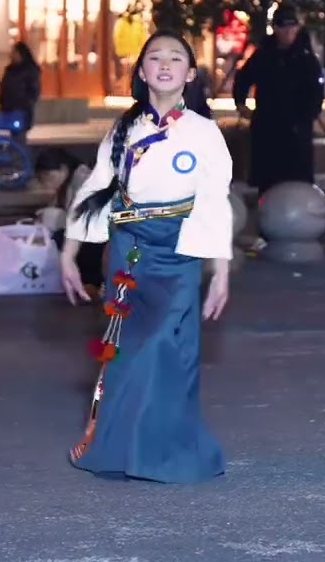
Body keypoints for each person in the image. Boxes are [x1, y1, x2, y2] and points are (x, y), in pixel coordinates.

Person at [61, 30, 234, 483]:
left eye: (175, 58)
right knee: (129, 348)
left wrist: (221, 273)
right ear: (141, 72)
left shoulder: (204, 132)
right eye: (154, 57)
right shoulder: (123, 129)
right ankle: (123, 450)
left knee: (165, 346)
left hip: (178, 250)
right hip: (128, 249)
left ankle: (166, 451)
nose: (164, 64)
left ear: (190, 74)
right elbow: (97, 189)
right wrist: (70, 251)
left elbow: (215, 203)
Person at [232, 5, 324, 195]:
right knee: (269, 182)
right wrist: (240, 103)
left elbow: (315, 93)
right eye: (283, 26)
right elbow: (243, 77)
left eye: (292, 26)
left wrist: (307, 118)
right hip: (268, 126)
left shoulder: (306, 58)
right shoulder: (264, 54)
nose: (288, 31)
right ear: (275, 28)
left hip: (296, 129)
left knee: (297, 181)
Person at [0, 41, 41, 142]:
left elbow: (34, 91)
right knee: (13, 137)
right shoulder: (10, 70)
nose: (11, 55)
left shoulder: (29, 70)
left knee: (19, 138)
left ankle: (20, 156)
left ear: (21, 54)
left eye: (14, 52)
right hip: (9, 109)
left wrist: (24, 104)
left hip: (21, 110)